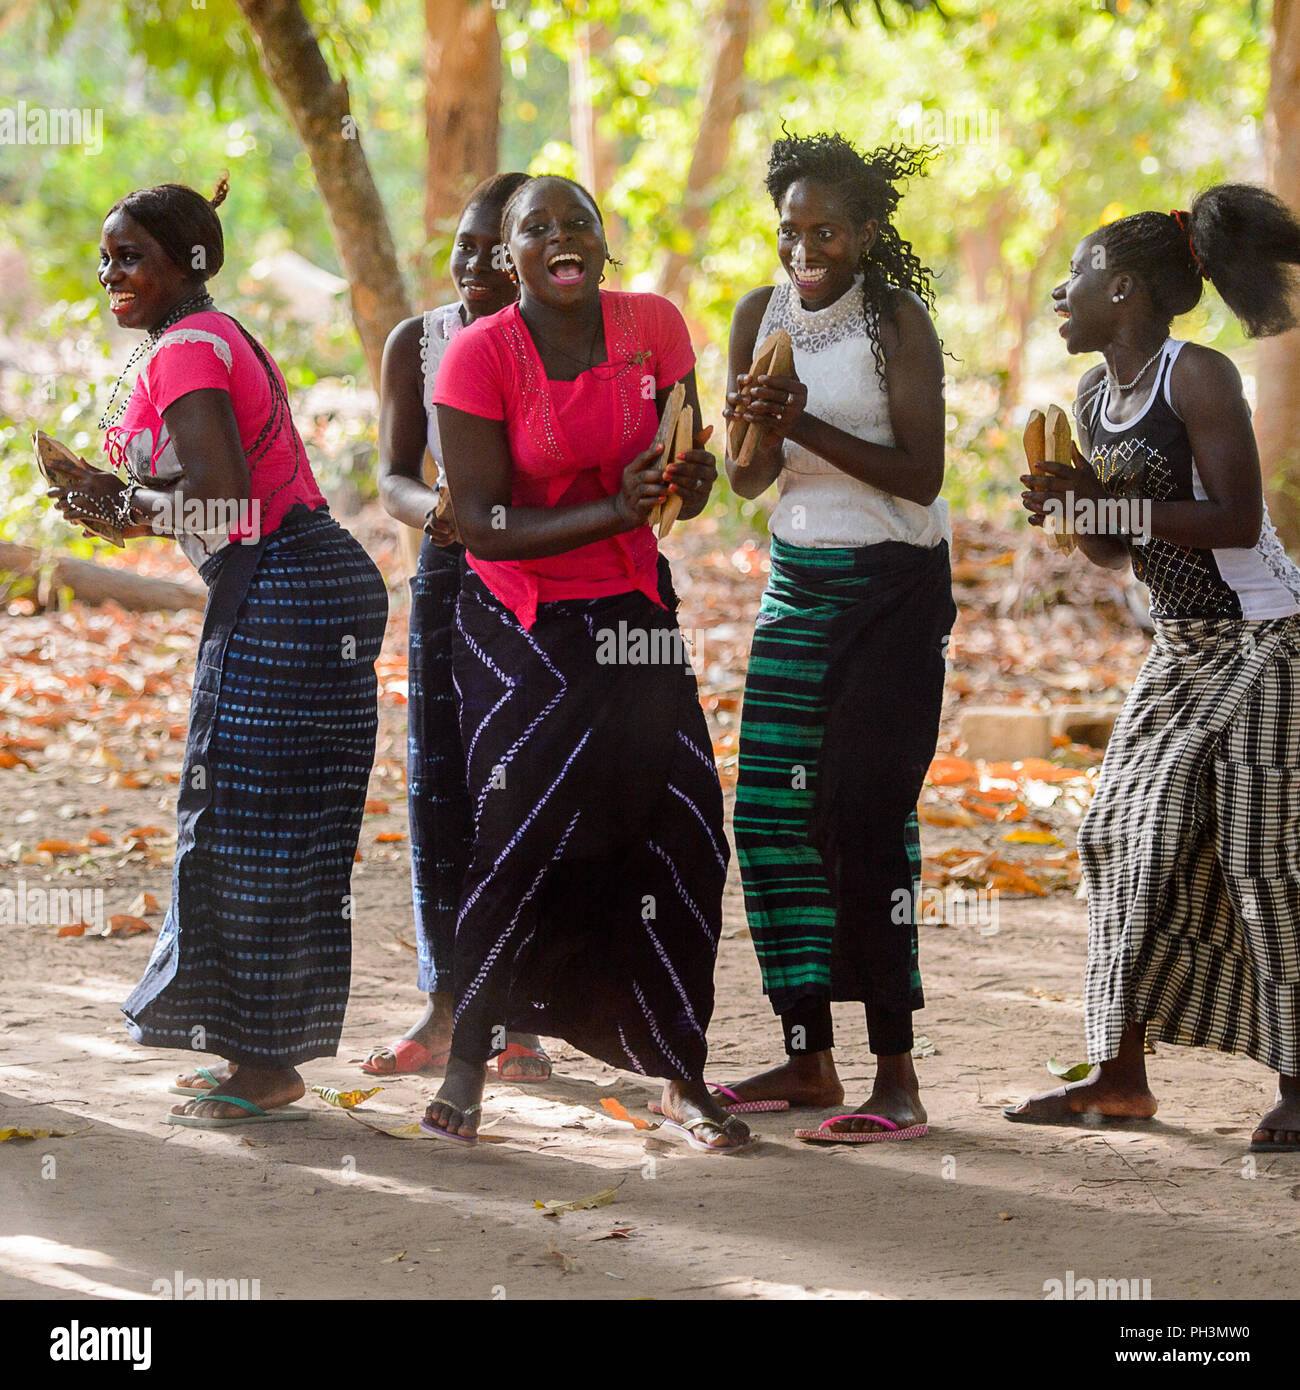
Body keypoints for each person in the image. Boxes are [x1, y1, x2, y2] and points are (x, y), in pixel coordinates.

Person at [422, 173, 752, 1151]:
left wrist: (684, 484)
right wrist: (614, 505)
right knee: (519, 840)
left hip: (636, 618)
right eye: (537, 227)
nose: (561, 236)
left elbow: (684, 493)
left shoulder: (653, 326)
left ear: (601, 242)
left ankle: (676, 1075)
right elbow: (477, 523)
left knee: (684, 831)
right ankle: (466, 1060)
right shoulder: (480, 357)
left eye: (578, 221)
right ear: (508, 254)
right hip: (522, 629)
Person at [47, 180, 387, 1127]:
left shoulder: (192, 348)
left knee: (248, 824)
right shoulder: (197, 339)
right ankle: (263, 1058)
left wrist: (123, 505)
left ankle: (265, 1067)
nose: (112, 272)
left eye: (132, 256)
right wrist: (120, 505)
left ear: (186, 264)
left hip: (289, 590)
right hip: (298, 585)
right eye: (107, 255)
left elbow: (226, 505)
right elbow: (208, 503)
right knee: (272, 825)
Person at [1010, 185, 1300, 1152]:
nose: (1063, 289)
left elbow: (1234, 523)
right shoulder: (1096, 396)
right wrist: (1075, 504)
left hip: (1266, 639)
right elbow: (1115, 549)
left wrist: (1107, 500)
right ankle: (1119, 1077)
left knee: (1261, 856)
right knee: (1118, 833)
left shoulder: (1198, 377)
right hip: (1182, 644)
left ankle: (1299, 1084)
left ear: (1125, 289)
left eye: (1079, 275)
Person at [719, 131, 954, 1144]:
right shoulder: (755, 314)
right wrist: (762, 428)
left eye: (825, 230)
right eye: (791, 229)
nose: (804, 247)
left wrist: (800, 420)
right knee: (768, 813)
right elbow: (741, 477)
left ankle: (894, 1074)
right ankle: (807, 1052)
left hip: (893, 590)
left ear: (863, 233)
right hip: (795, 584)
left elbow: (920, 474)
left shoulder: (897, 322)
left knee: (864, 819)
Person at [369, 172, 551, 1084]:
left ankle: (521, 1020)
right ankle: (444, 1005)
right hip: (448, 576)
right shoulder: (422, 341)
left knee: (520, 792)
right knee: (440, 785)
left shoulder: (559, 343)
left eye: (496, 247)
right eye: (465, 245)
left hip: (544, 577)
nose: (475, 263)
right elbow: (393, 473)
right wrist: (432, 508)